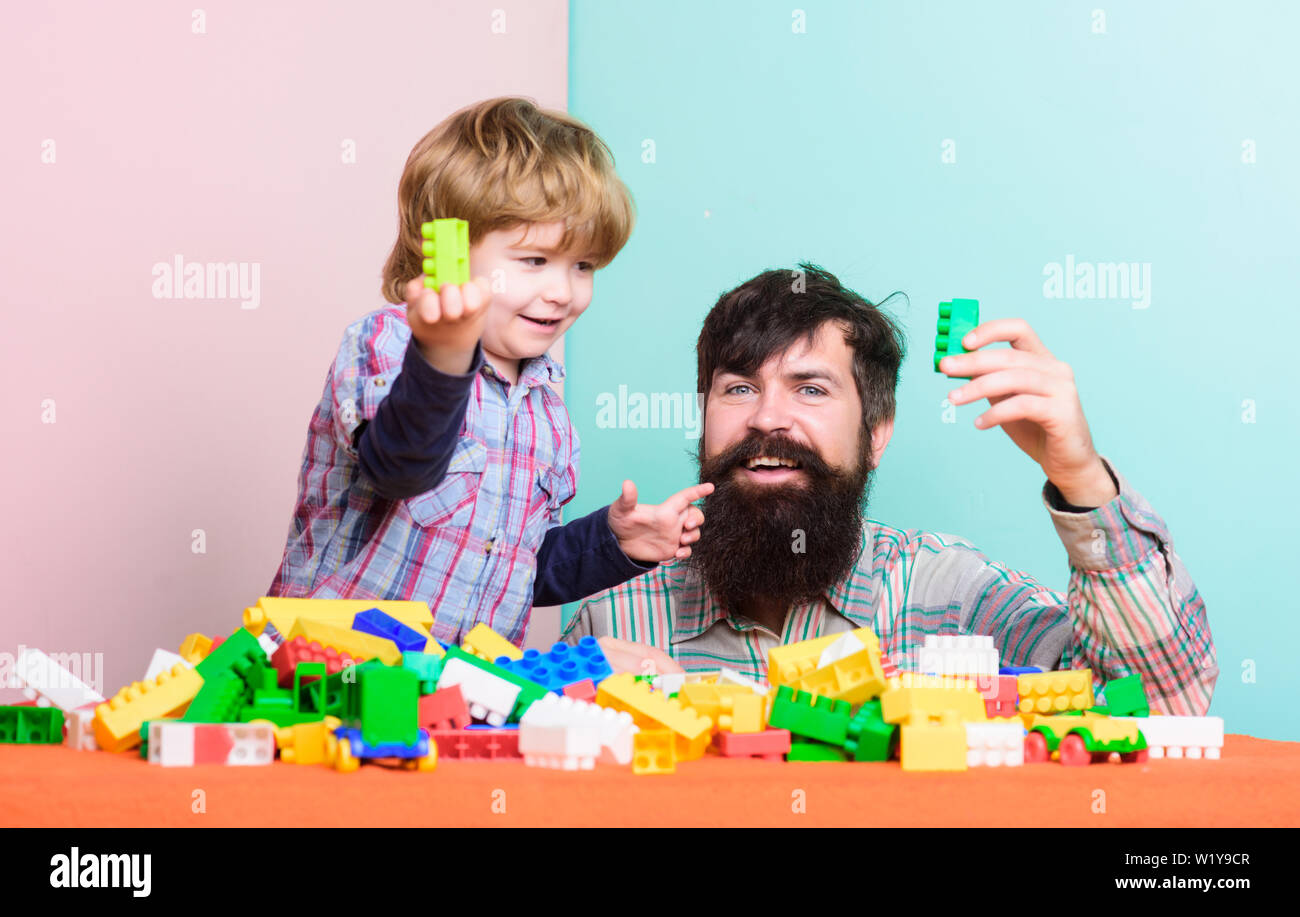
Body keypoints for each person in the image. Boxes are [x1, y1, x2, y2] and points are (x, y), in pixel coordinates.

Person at [564, 264, 1216, 715]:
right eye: (739, 388)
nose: (766, 418)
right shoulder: (613, 618)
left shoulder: (953, 597)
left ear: (876, 433)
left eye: (810, 388)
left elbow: (1163, 703)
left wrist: (1081, 479)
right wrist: (567, 698)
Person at [268, 97, 711, 646]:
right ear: (450, 252)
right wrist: (444, 357)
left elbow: (512, 568)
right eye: (534, 260)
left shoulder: (547, 412)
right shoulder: (391, 341)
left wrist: (612, 543)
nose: (562, 291)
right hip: (332, 672)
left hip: (462, 688)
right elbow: (400, 469)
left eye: (583, 266)